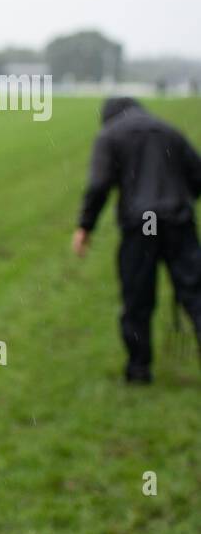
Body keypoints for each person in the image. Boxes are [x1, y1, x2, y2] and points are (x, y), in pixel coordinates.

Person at [72, 96, 201, 383]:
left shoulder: (110, 135)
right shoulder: (169, 131)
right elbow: (197, 175)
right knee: (195, 293)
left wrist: (85, 226)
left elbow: (99, 184)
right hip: (178, 222)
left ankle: (139, 369)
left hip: (142, 226)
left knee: (137, 298)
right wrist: (178, 200)